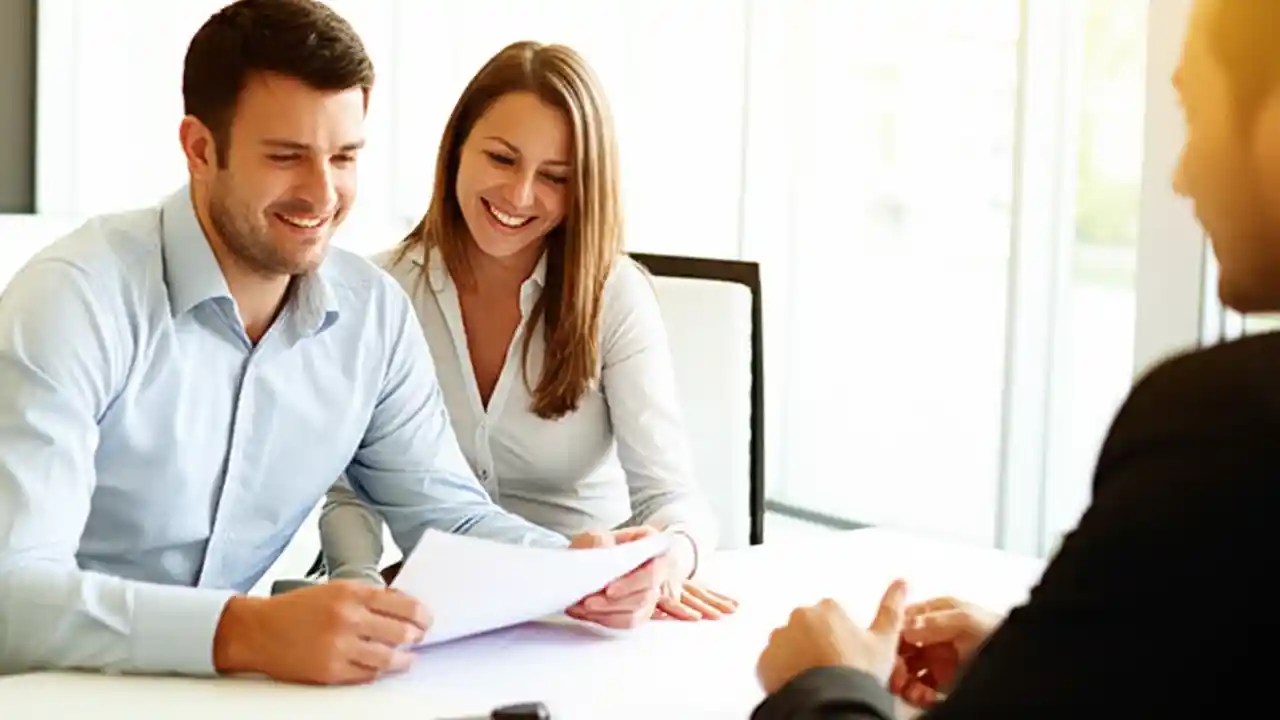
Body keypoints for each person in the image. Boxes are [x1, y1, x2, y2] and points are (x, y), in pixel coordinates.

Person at [0, 0, 652, 685]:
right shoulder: (74, 300)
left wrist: (579, 569)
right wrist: (243, 630)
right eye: (286, 157)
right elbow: (11, 597)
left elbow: (447, 511)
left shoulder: (372, 316)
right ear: (199, 148)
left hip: (223, 696)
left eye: (344, 156)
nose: (322, 194)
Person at [750, 0, 1280, 716]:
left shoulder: (1225, 424)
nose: (1183, 176)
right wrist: (1050, 664)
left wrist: (823, 683)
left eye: (1195, 115)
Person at [317, 40, 737, 625]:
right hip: (439, 611)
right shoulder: (381, 292)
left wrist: (665, 562)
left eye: (555, 176)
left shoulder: (612, 296)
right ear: (457, 149)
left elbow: (674, 500)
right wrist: (358, 586)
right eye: (502, 159)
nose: (519, 196)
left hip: (585, 610)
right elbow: (348, 489)